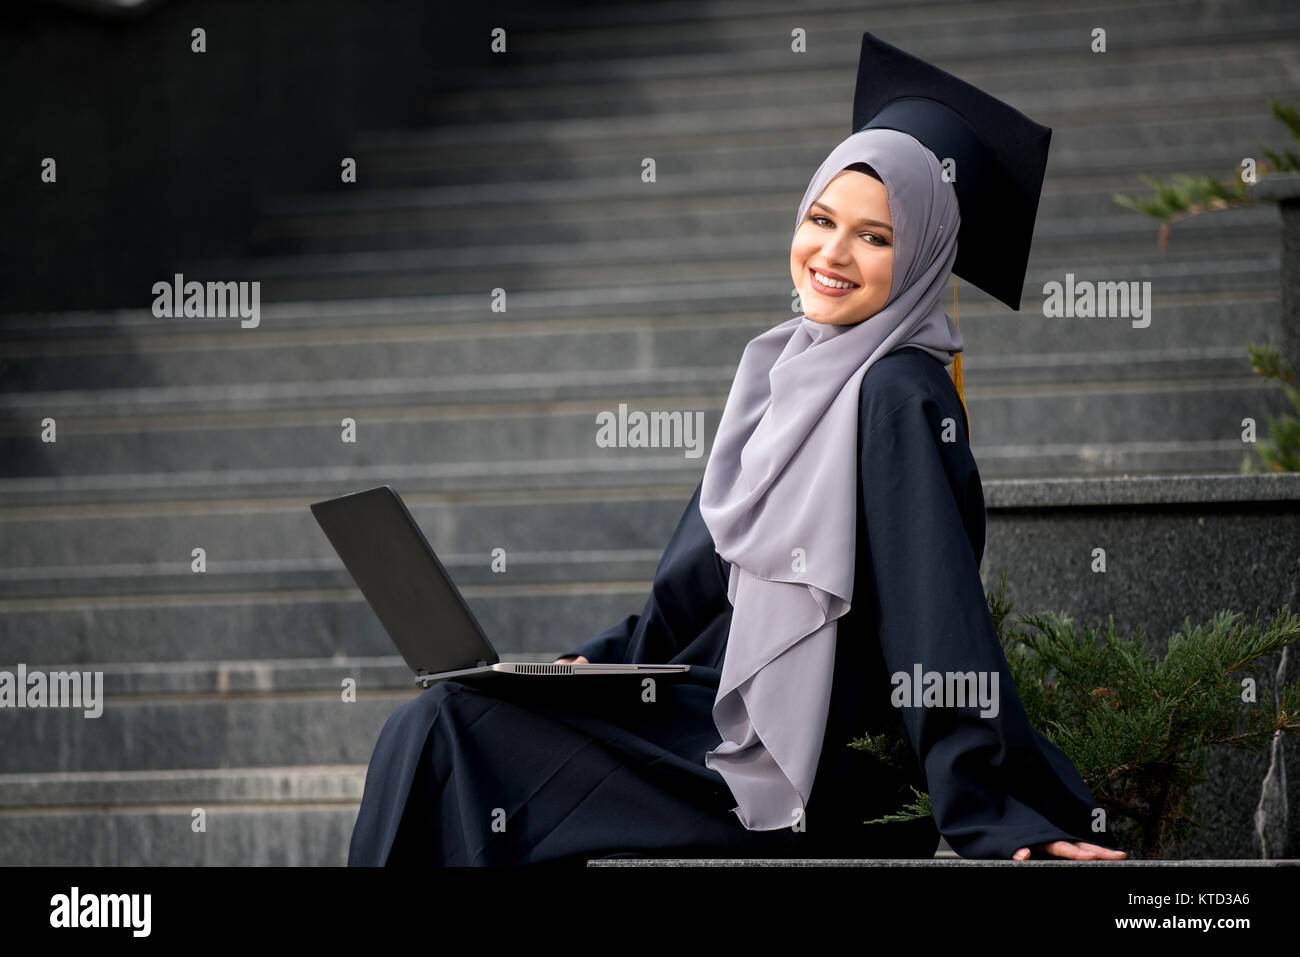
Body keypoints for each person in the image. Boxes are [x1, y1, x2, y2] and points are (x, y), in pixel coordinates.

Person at [346, 32, 1126, 865]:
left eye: (875, 237)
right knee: (445, 724)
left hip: (800, 776)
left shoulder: (900, 393)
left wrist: (996, 812)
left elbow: (939, 621)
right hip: (714, 728)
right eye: (821, 219)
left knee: (447, 739)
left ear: (925, 257)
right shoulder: (778, 373)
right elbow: (693, 600)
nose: (831, 253)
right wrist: (589, 668)